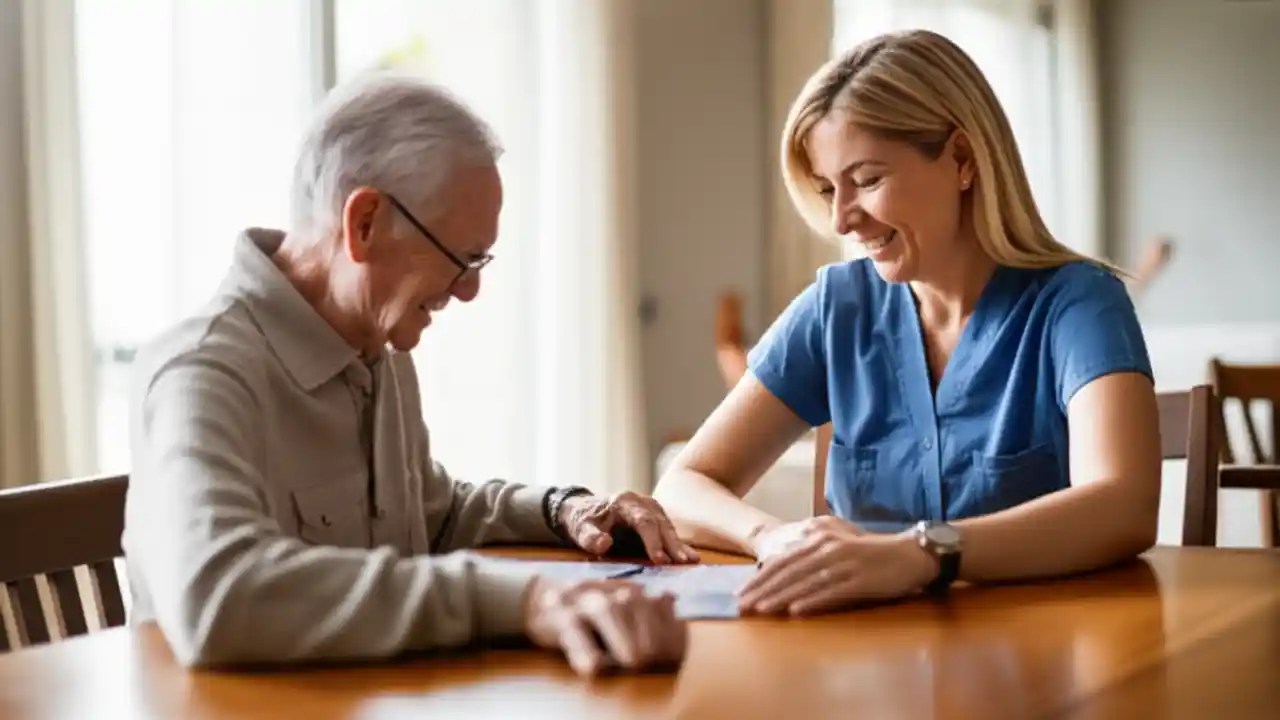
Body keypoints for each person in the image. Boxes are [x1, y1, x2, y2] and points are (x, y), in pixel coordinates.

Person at [124, 75, 696, 675]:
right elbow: (219, 594)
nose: (471, 290)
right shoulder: (201, 371)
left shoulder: (378, 348)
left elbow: (433, 515)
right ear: (365, 221)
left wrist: (564, 508)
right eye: (462, 258)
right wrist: (523, 599)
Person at [654, 30, 1160, 616]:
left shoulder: (1078, 304)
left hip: (1041, 659)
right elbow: (683, 485)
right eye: (827, 189)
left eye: (867, 181)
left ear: (963, 160)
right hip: (861, 669)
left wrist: (922, 554)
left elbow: (1123, 504)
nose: (842, 219)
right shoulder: (835, 309)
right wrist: (772, 537)